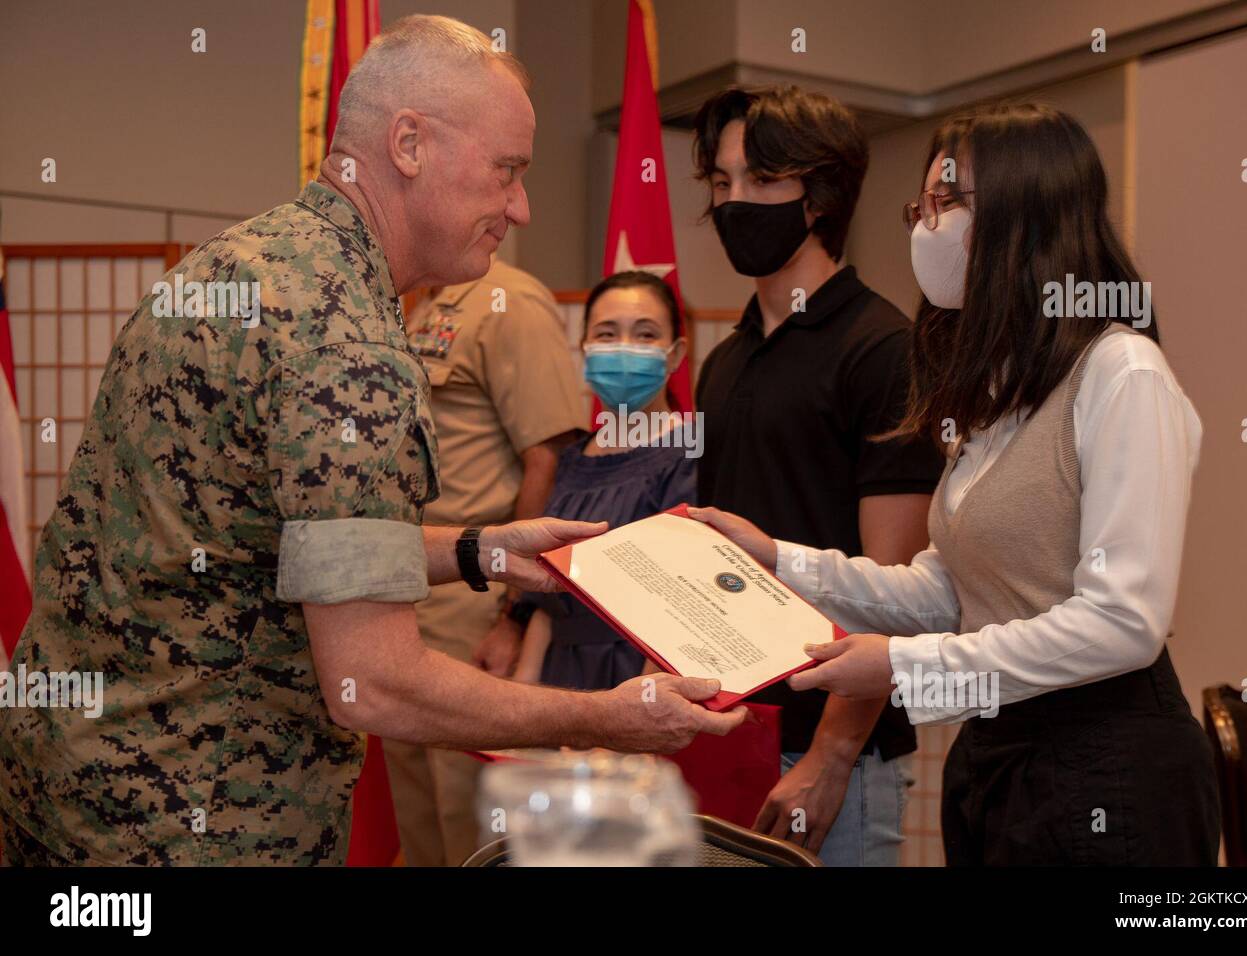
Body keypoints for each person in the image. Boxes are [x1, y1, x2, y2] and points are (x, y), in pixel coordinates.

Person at [0, 15, 743, 868]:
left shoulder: (233, 264)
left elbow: (269, 539)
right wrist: (609, 717)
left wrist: (480, 551)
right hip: (198, 815)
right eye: (506, 172)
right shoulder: (347, 343)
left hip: (66, 784)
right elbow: (375, 684)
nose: (521, 206)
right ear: (409, 144)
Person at [692, 102, 1221, 865]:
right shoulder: (1002, 389)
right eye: (922, 205)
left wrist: (905, 670)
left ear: (1026, 213)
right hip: (998, 753)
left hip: (1108, 766)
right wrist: (778, 559)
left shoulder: (1121, 373)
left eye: (948, 203)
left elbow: (1124, 623)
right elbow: (947, 590)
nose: (925, 226)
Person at [691, 86, 944, 865]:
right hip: (732, 737)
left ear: (820, 196)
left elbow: (891, 586)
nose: (737, 202)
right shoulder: (724, 361)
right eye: (722, 183)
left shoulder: (882, 349)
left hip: (838, 757)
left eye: (763, 181)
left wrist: (828, 758)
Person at [384, 255, 588, 866]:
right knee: (416, 802)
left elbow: (548, 459)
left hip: (473, 593)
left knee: (468, 805)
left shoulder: (510, 302)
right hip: (404, 579)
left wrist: (512, 614)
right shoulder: (423, 303)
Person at [513, 271, 695, 690]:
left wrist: (642, 708)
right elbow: (549, 595)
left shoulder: (690, 454)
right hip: (559, 672)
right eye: (607, 334)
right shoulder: (574, 459)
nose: (625, 348)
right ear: (586, 348)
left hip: (636, 675)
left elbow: (686, 605)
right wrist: (524, 691)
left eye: (645, 334)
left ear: (675, 354)